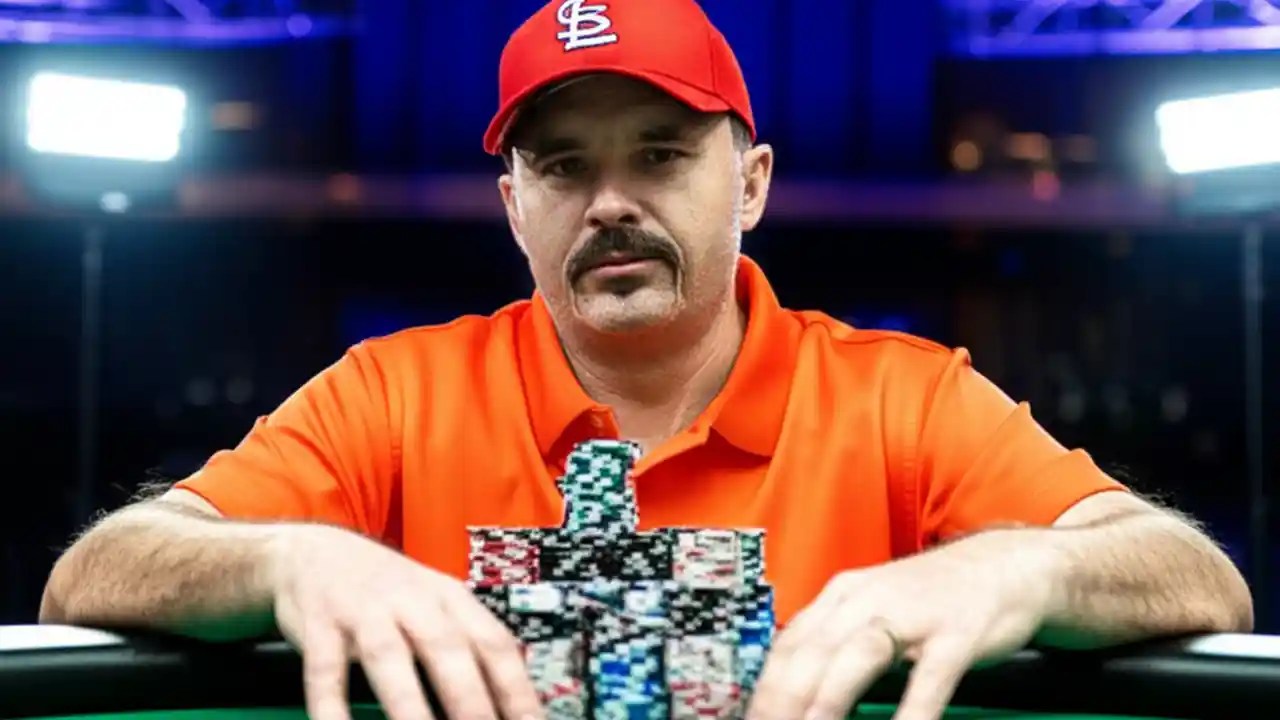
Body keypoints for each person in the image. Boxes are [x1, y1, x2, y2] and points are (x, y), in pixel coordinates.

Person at [41, 1, 1252, 719]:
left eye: (662, 152)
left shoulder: (902, 395)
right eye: (563, 167)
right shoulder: (393, 393)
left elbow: (1189, 578)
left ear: (754, 182)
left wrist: (1015, 574)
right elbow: (98, 575)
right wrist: (289, 561)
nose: (610, 200)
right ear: (513, 206)